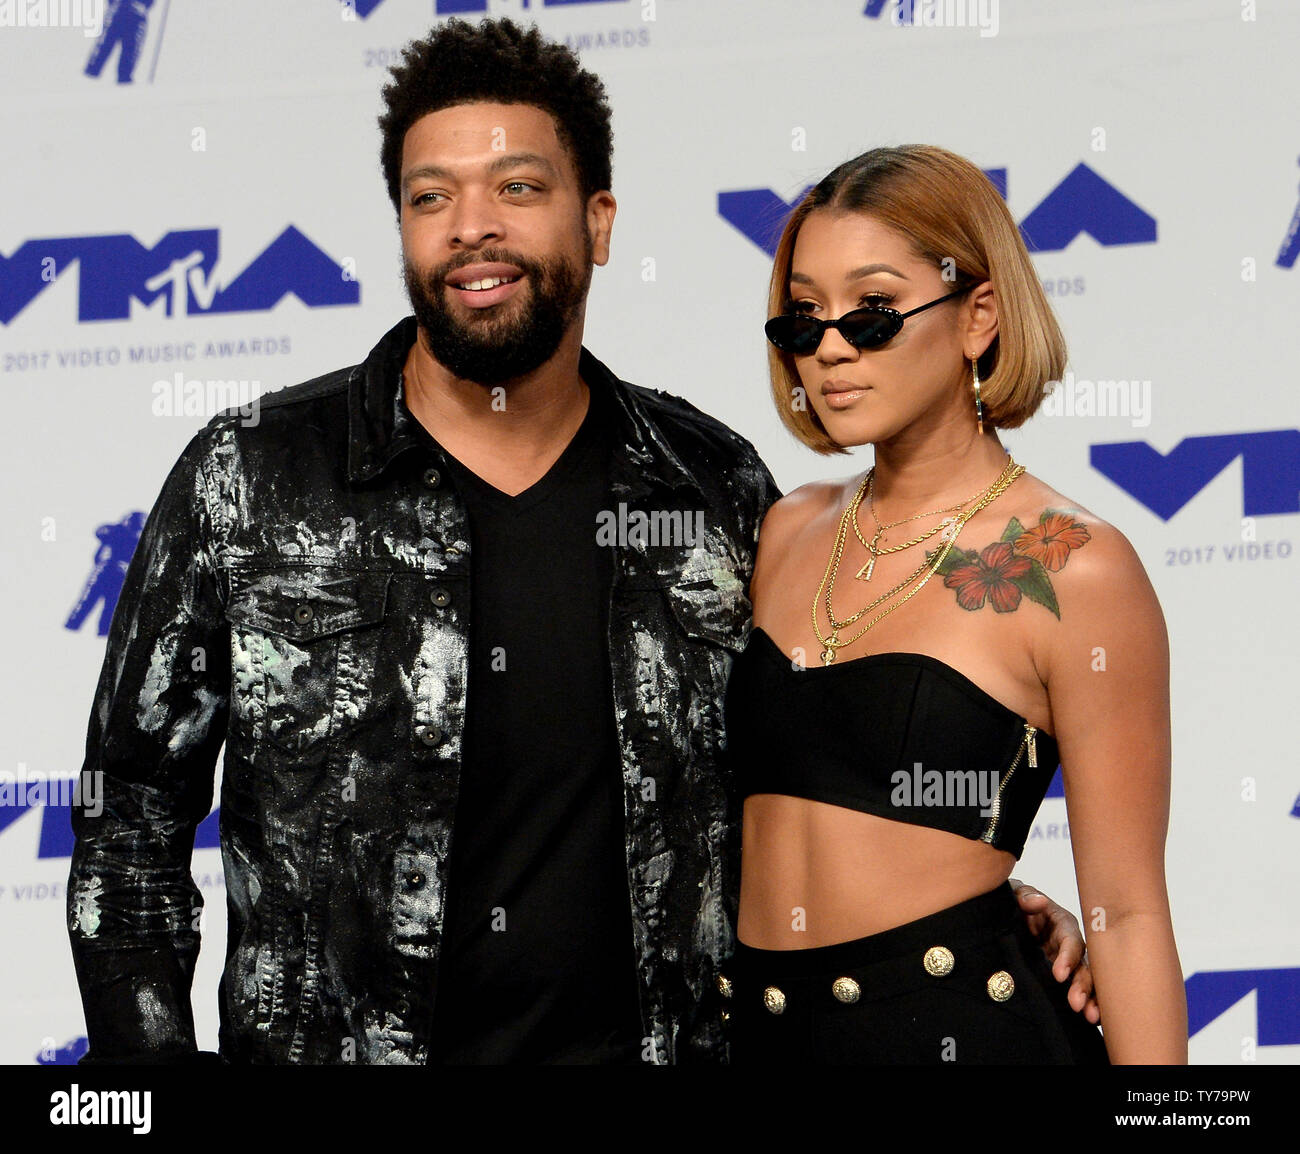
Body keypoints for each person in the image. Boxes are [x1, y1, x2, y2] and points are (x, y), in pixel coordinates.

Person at [66, 21, 1098, 1065]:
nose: (472, 227)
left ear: (598, 222)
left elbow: (812, 760)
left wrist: (961, 915)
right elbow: (130, 815)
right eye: (431, 197)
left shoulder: (714, 487)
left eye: (517, 188)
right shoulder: (253, 474)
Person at [719, 144, 1186, 1064]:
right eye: (803, 316)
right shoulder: (786, 532)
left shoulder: (1077, 568)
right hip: (760, 1039)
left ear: (978, 316)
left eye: (875, 310)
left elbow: (1127, 915)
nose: (833, 346)